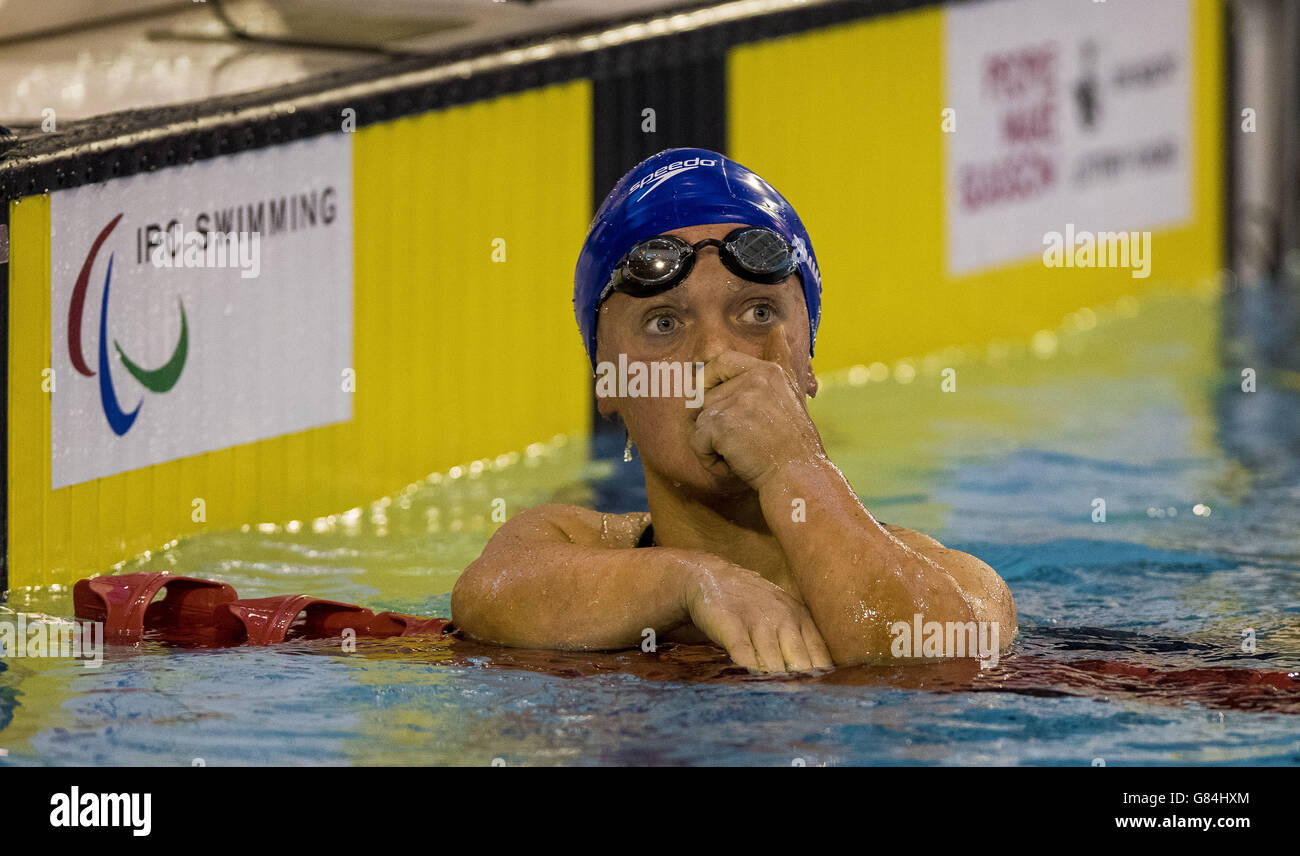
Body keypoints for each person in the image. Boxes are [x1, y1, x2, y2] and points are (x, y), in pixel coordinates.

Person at [451, 148, 1017, 673]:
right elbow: (486, 596)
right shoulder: (568, 544)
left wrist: (791, 465)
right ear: (608, 383)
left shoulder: (949, 580)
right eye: (665, 324)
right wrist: (693, 582)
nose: (716, 357)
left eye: (758, 314)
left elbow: (930, 667)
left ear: (808, 361)